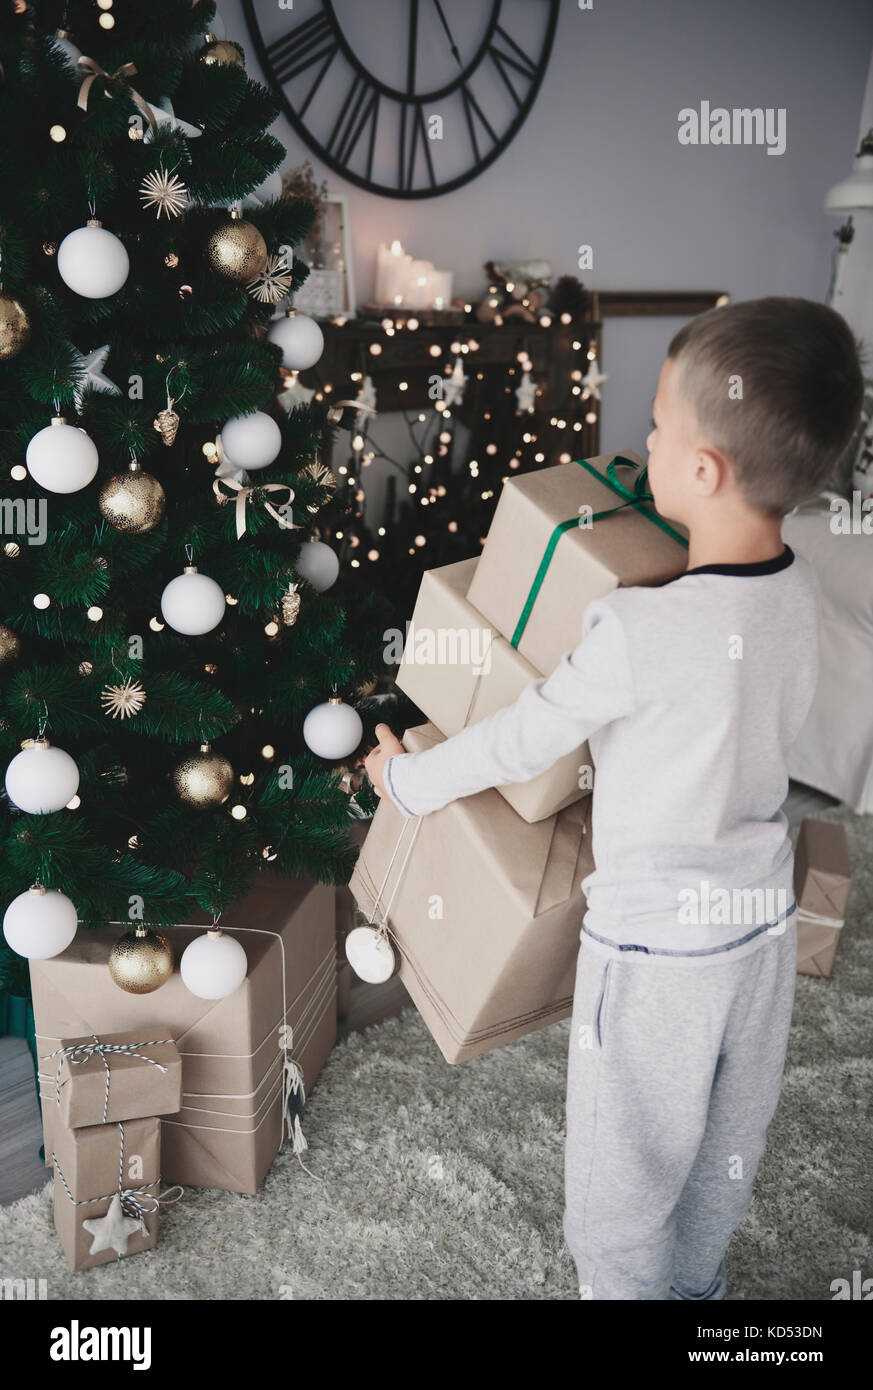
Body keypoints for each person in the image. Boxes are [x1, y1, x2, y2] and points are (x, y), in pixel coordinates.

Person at [364, 297, 863, 1300]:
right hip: (758, 927)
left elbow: (520, 737)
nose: (643, 443)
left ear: (706, 471)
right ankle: (698, 1287)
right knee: (726, 1140)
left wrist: (404, 778)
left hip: (652, 954)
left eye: (659, 429)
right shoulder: (801, 591)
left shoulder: (638, 627)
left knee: (620, 1179)